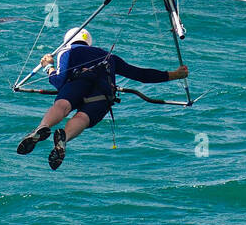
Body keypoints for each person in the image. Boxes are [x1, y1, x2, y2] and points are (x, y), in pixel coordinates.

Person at [16, 27, 189, 170]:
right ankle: (64, 138)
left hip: (79, 83)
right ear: (90, 43)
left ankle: (43, 127)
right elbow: (140, 74)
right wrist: (174, 75)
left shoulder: (66, 51)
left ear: (67, 41)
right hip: (103, 90)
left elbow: (59, 82)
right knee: (83, 118)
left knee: (62, 105)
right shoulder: (109, 57)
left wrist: (49, 68)